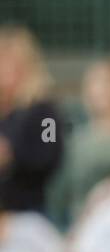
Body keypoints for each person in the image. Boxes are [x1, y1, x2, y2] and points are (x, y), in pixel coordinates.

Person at [51, 59, 110, 222]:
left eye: (106, 84)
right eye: (92, 85)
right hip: (83, 228)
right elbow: (59, 195)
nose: (98, 92)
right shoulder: (75, 143)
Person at [0, 26, 64, 214]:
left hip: (27, 211)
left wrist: (12, 155)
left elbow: (50, 150)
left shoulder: (45, 111)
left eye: (7, 62)